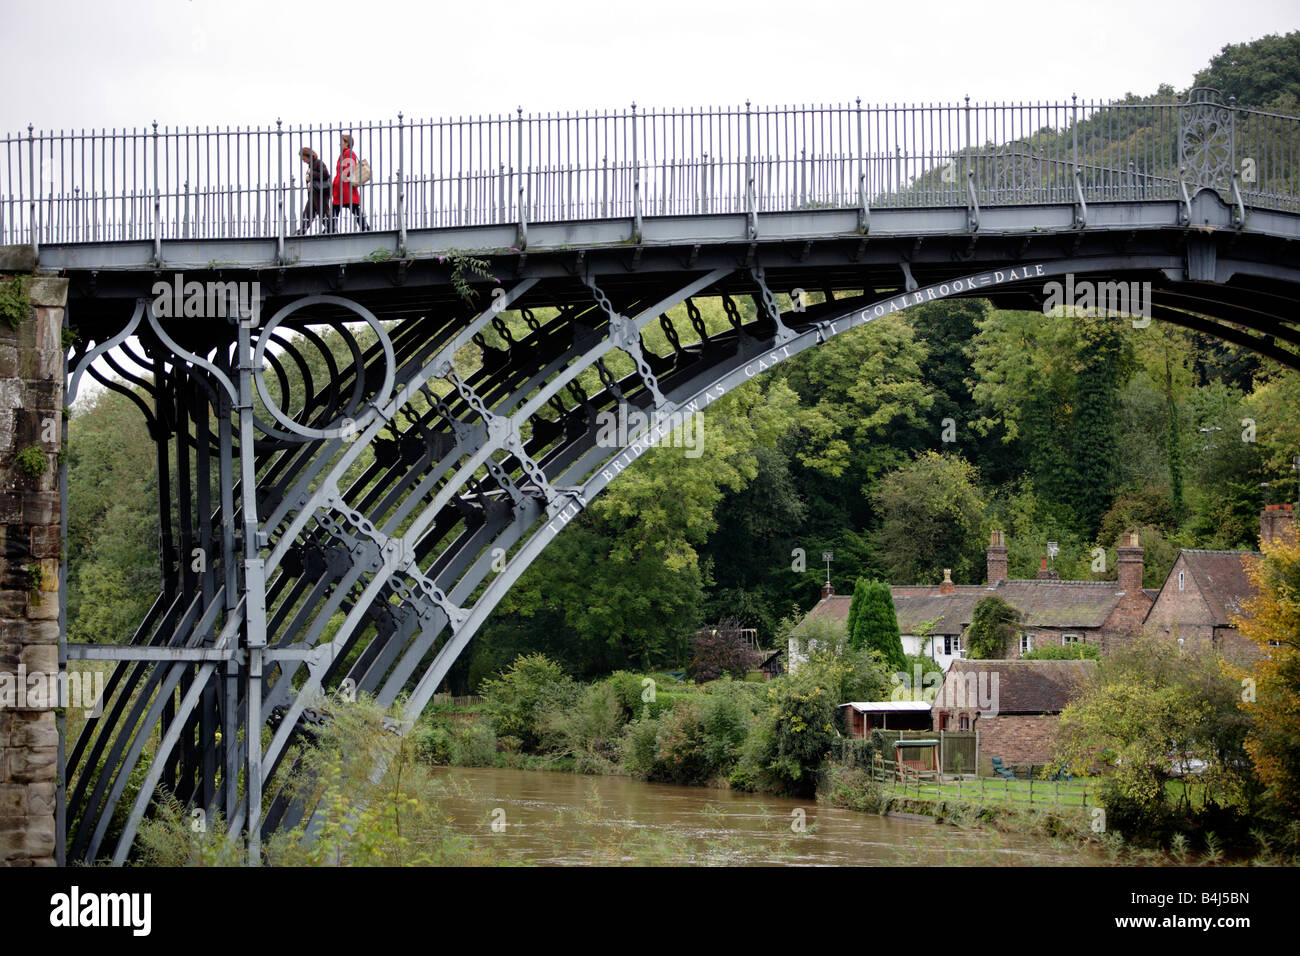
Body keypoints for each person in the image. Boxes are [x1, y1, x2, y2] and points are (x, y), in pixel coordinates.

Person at [330, 133, 371, 232]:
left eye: (342, 142)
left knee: (350, 207)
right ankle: (331, 228)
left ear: (347, 143)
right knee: (340, 208)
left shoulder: (348, 153)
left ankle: (331, 229)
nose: (340, 144)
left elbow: (350, 168)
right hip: (342, 187)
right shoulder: (343, 154)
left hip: (345, 186)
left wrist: (341, 179)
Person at [295, 147, 332, 235]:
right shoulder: (312, 164)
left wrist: (311, 173)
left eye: (303, 158)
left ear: (308, 156)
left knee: (322, 211)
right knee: (308, 211)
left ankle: (331, 228)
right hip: (315, 192)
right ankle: (303, 229)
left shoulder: (318, 163)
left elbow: (325, 174)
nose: (303, 160)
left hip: (321, 192)